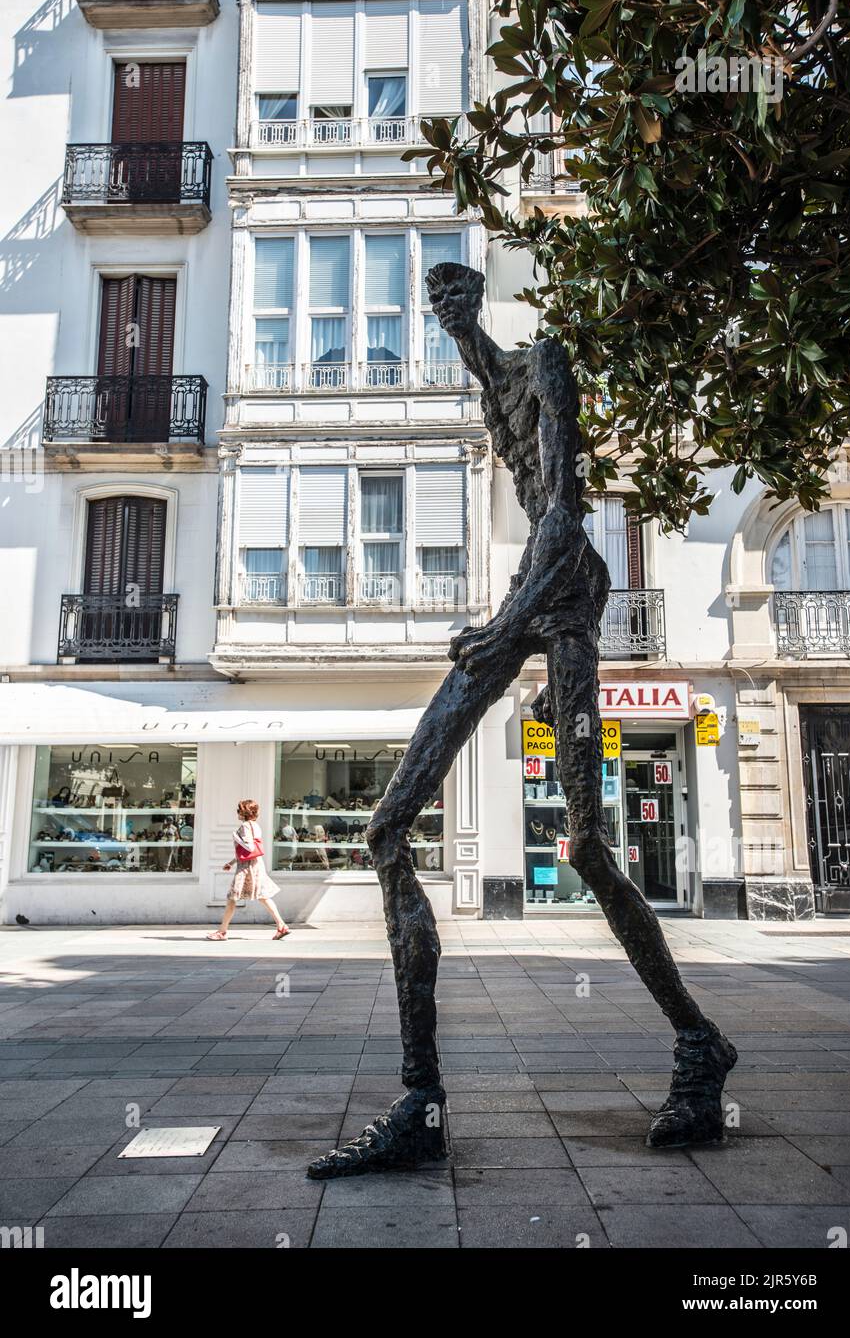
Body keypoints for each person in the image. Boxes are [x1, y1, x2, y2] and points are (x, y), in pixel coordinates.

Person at [308, 262, 736, 1180]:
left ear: (477, 308)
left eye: (457, 307)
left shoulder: (541, 365)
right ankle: (419, 1098)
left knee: (585, 847)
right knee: (388, 830)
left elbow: (567, 517)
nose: (450, 323)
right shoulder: (483, 388)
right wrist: (505, 628)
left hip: (565, 593)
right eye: (439, 314)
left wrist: (506, 630)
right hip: (525, 599)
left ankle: (699, 1046)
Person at [206, 799, 289, 941]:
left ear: (244, 812)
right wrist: (232, 862)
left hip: (246, 867)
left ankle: (222, 932)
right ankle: (282, 926)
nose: (237, 813)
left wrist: (236, 838)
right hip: (256, 864)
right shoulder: (256, 826)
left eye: (239, 810)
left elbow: (249, 848)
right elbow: (251, 850)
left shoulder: (245, 826)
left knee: (233, 897)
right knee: (263, 896)